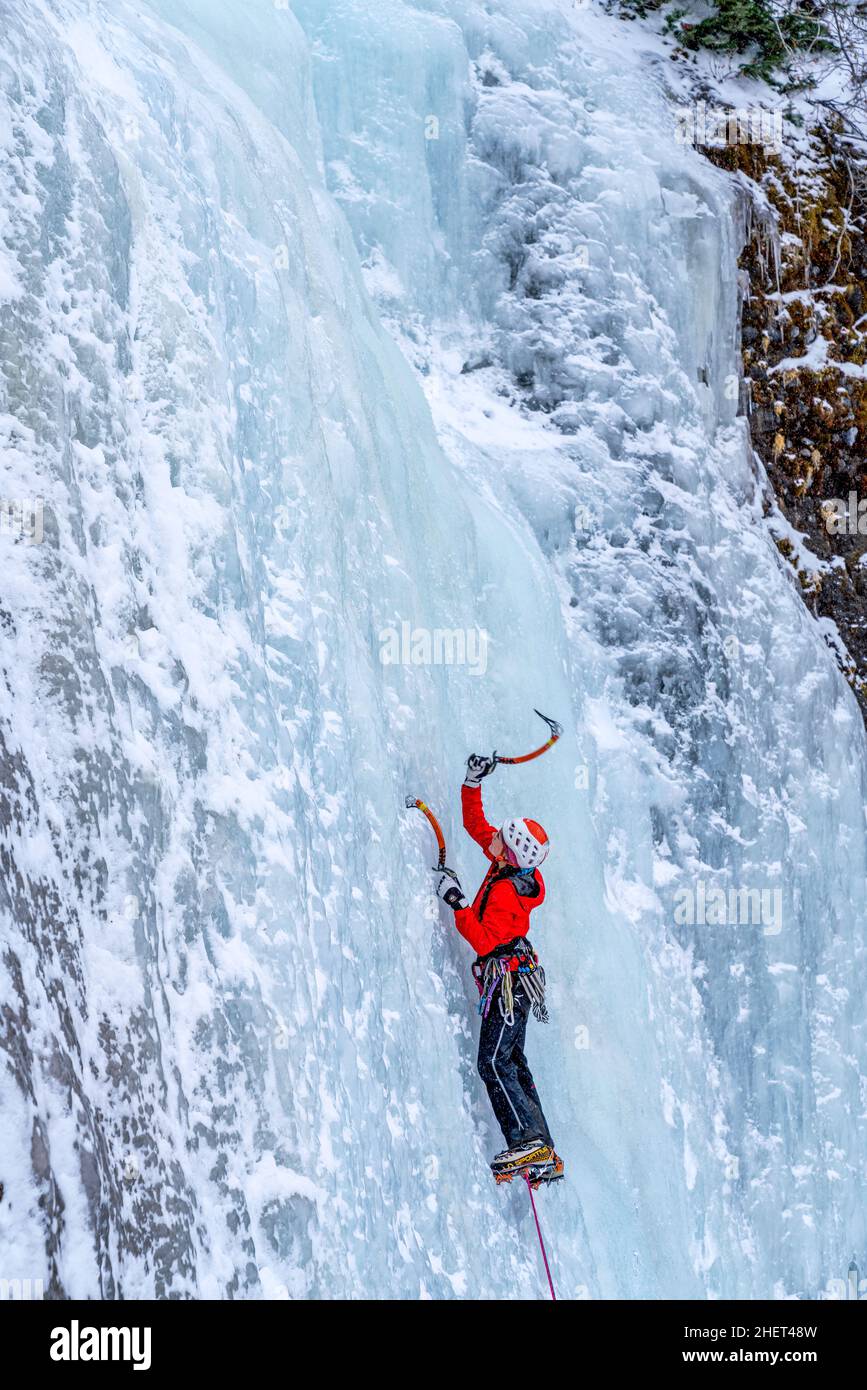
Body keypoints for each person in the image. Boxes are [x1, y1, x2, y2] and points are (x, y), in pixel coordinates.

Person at [434, 753, 563, 1184]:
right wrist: (472, 782)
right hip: (517, 977)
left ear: (510, 855)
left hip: (509, 980)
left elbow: (484, 939)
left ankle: (528, 1141)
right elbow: (476, 825)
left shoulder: (509, 891)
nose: (493, 842)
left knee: (492, 1062)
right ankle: (541, 1146)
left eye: (501, 842)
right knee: (512, 1060)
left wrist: (455, 901)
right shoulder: (509, 865)